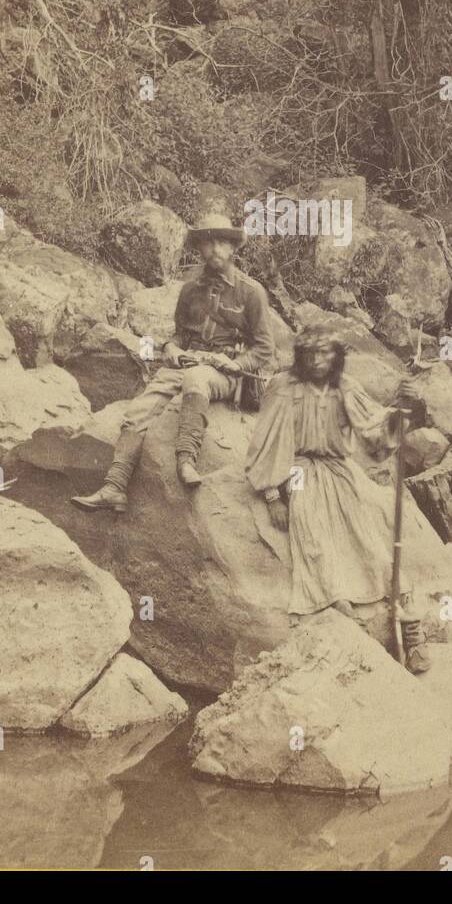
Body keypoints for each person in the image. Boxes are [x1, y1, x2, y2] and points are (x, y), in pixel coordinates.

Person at [71, 212, 276, 511]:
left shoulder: (251, 292)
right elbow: (181, 334)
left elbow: (264, 349)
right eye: (207, 243)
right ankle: (114, 486)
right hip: (188, 364)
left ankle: (186, 460)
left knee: (197, 379)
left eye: (221, 242)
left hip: (226, 372)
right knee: (138, 409)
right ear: (200, 250)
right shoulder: (190, 291)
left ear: (233, 249)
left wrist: (237, 364)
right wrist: (170, 348)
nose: (215, 250)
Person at [244, 322, 424, 639]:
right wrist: (272, 496)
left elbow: (374, 427)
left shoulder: (345, 387)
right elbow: (266, 443)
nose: (316, 361)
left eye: (324, 353)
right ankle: (337, 602)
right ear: (301, 355)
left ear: (336, 356)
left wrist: (405, 409)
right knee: (310, 528)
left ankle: (406, 613)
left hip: (340, 467)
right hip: (298, 468)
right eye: (310, 354)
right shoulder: (283, 386)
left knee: (367, 530)